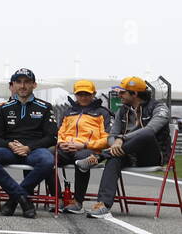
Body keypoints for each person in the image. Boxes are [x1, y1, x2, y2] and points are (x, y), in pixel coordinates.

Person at [87, 77, 172, 218]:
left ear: (135, 94)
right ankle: (103, 205)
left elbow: (150, 129)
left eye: (122, 93)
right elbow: (111, 135)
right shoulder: (122, 110)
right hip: (126, 153)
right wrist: (115, 142)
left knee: (147, 134)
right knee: (114, 158)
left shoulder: (160, 108)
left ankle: (100, 156)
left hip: (152, 156)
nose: (119, 96)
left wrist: (122, 139)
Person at [0, 68, 57, 218]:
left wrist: (29, 148)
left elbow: (52, 137)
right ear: (13, 85)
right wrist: (8, 145)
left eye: (27, 82)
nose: (23, 86)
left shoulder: (45, 107)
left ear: (34, 85)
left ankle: (13, 199)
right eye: (19, 82)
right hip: (11, 150)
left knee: (48, 160)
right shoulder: (4, 108)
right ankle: (22, 198)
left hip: (34, 150)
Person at [54, 80, 112, 214]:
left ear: (94, 94)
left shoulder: (102, 113)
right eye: (80, 94)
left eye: (87, 94)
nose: (83, 97)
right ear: (75, 94)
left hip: (88, 149)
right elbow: (59, 133)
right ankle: (58, 198)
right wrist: (62, 143)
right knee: (46, 156)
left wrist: (84, 145)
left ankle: (78, 202)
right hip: (66, 147)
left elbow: (107, 138)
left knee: (82, 158)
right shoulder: (68, 112)